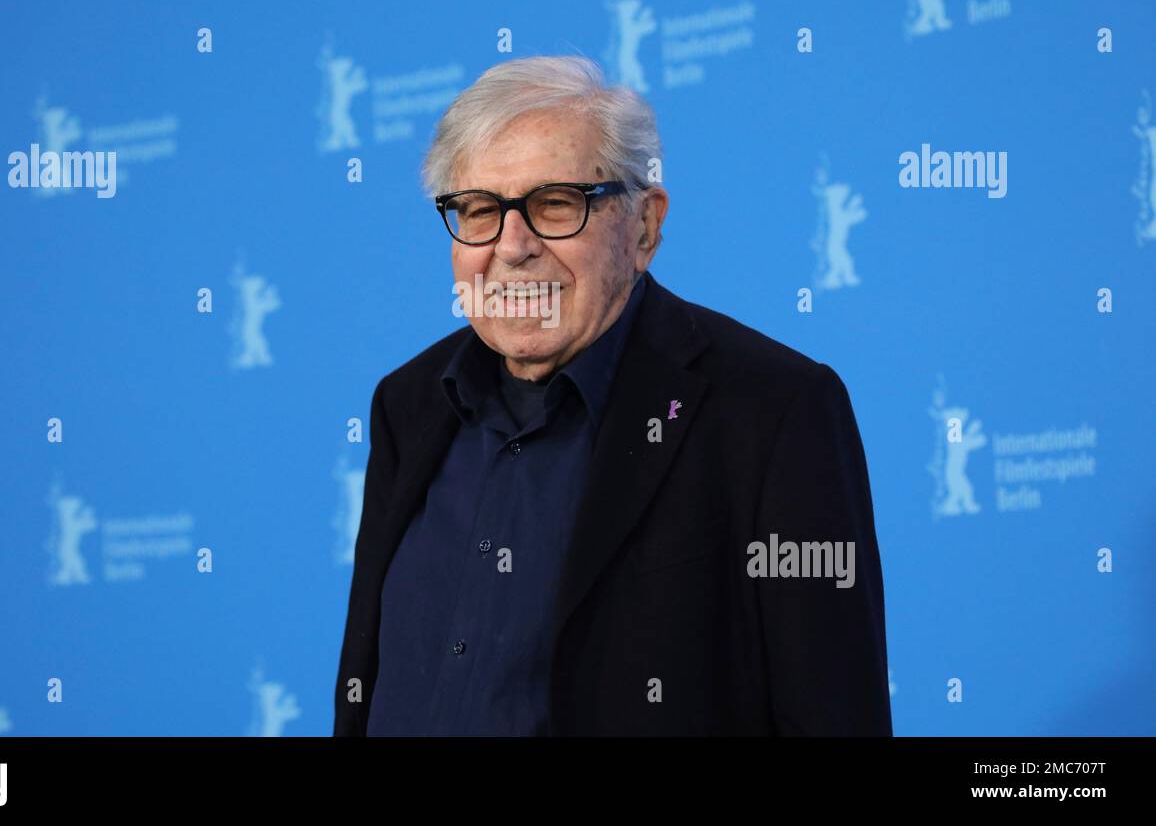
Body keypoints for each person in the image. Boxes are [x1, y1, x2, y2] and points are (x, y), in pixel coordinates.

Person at [334, 55, 891, 735]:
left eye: (555, 204)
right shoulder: (407, 404)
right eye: (479, 211)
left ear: (644, 227)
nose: (512, 247)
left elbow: (831, 717)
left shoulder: (772, 411)